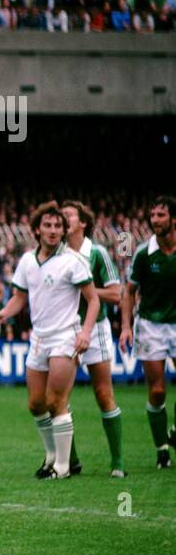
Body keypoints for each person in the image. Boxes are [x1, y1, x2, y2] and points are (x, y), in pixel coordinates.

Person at [0, 202, 99, 479]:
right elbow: (20, 297)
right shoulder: (27, 260)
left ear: (63, 231)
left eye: (57, 226)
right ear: (37, 230)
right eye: (47, 226)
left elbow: (93, 300)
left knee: (55, 401)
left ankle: (62, 467)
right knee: (36, 404)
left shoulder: (72, 261)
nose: (52, 231)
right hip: (39, 338)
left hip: (65, 337)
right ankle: (51, 455)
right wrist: (3, 314)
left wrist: (85, 333)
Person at [60, 200, 125, 476]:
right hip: (65, 330)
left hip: (95, 328)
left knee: (103, 393)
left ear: (83, 222)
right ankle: (70, 461)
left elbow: (116, 294)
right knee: (59, 398)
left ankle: (118, 463)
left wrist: (85, 290)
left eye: (68, 216)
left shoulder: (97, 253)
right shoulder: (57, 254)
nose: (63, 220)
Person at [119, 196, 176, 469]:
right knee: (157, 391)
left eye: (161, 215)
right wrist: (126, 326)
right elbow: (129, 292)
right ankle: (162, 450)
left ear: (173, 219)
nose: (155, 220)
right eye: (152, 215)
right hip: (151, 326)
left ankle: (174, 433)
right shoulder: (143, 253)